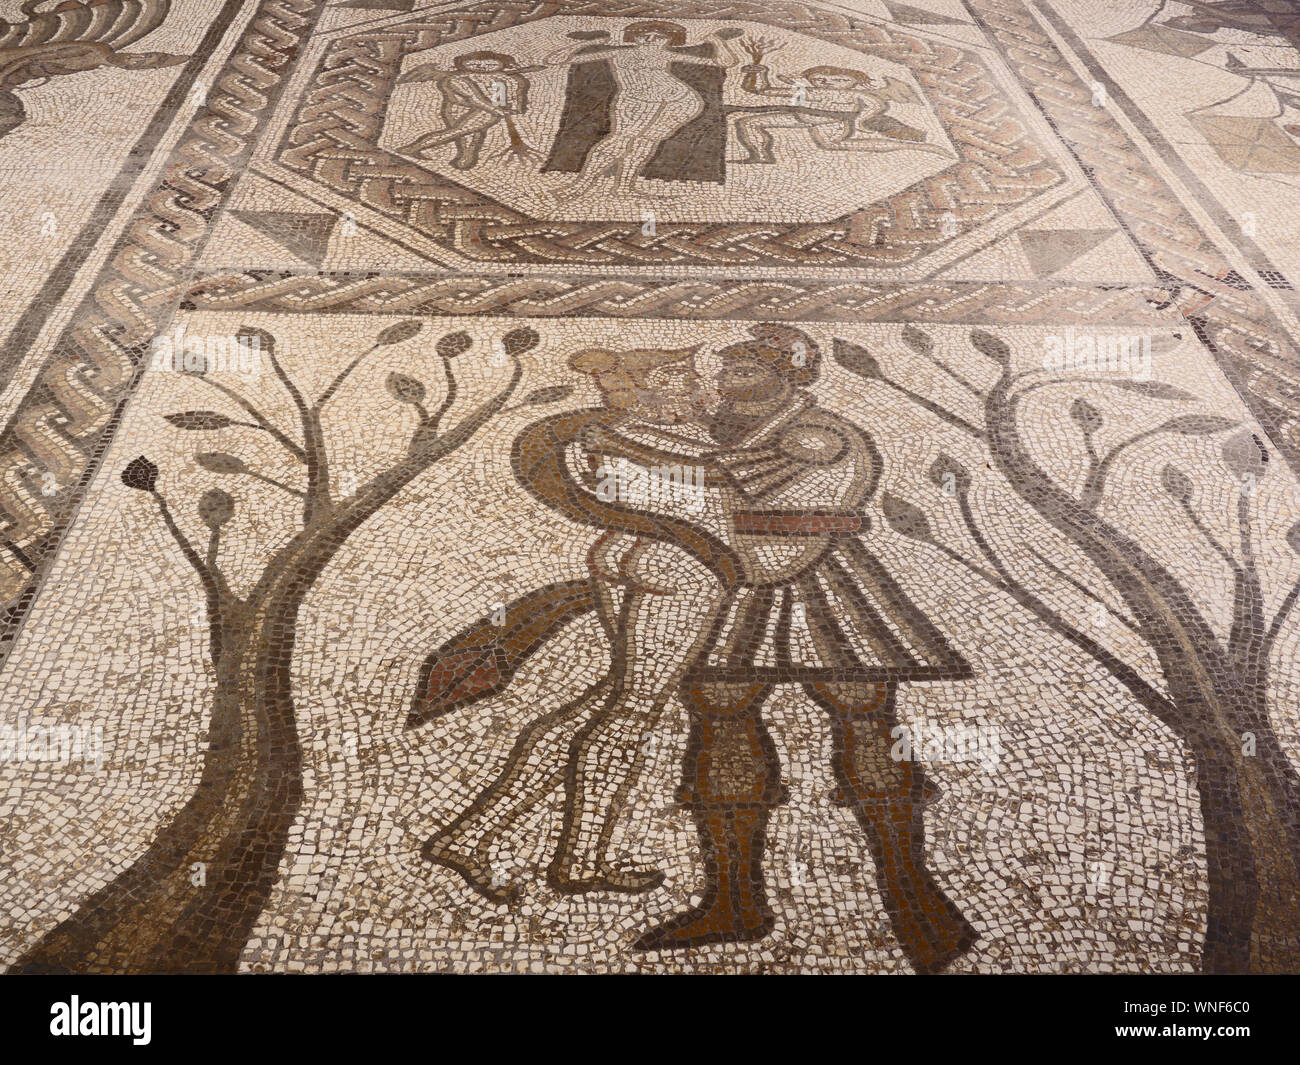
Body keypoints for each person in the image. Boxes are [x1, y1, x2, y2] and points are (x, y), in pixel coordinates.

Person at [421, 345, 731, 898]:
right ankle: (582, 860)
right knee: (632, 713)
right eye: (682, 376)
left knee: (607, 701)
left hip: (627, 557)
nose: (698, 387)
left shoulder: (616, 434)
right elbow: (715, 489)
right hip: (676, 570)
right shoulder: (657, 438)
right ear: (656, 384)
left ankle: (469, 837)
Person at [540, 21, 744, 195]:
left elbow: (724, 62)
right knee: (620, 139)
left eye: (659, 37)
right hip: (636, 101)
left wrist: (717, 40)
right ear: (635, 39)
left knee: (647, 140)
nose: (650, 39)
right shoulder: (618, 54)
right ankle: (581, 185)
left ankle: (624, 187)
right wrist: (590, 42)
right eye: (645, 36)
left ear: (667, 41)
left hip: (680, 102)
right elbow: (554, 60)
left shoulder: (667, 56)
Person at [731, 59, 948, 163]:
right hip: (801, 117)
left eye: (839, 80)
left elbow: (875, 105)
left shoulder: (853, 95)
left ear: (853, 82)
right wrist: (758, 72)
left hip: (832, 123)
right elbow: (763, 91)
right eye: (821, 79)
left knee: (832, 144)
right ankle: (760, 155)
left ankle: (916, 146)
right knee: (748, 122)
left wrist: (862, 122)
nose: (828, 83)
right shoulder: (808, 91)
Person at [396, 50, 536, 169]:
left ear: (502, 64)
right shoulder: (457, 79)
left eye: (490, 64)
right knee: (461, 132)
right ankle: (414, 148)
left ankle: (463, 160)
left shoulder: (504, 78)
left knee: (473, 134)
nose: (482, 67)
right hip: (460, 109)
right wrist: (496, 110)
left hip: (488, 111)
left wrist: (514, 106)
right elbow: (473, 98)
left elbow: (508, 94)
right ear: (462, 65)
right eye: (474, 64)